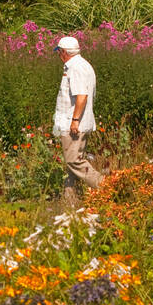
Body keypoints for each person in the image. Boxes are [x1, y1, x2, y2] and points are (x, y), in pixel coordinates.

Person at [53, 36, 102, 204]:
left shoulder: (76, 68)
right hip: (76, 122)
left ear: (64, 52)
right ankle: (70, 202)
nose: (58, 55)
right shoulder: (82, 65)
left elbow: (82, 97)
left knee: (74, 160)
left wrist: (74, 120)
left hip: (74, 124)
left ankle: (105, 186)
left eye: (59, 52)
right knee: (71, 164)